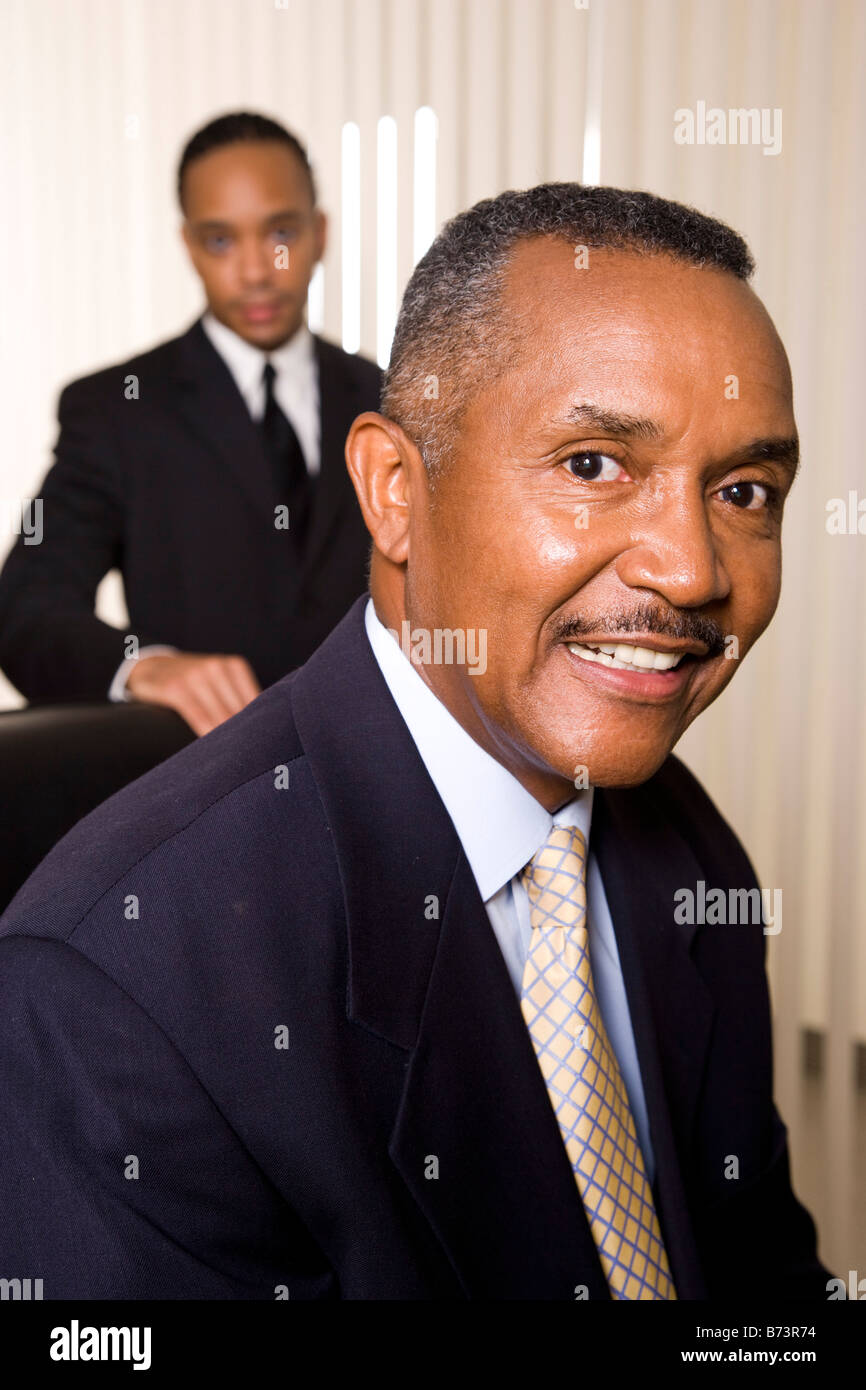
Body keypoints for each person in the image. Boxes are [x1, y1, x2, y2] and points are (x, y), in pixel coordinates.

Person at [0, 184, 835, 1299]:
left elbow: (758, 1281)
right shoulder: (115, 988)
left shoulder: (689, 854)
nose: (690, 570)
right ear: (393, 491)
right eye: (591, 465)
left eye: (742, 489)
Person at [0, 112, 381, 735]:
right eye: (222, 240)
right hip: (202, 792)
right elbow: (24, 609)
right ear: (189, 246)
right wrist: (143, 666)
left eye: (280, 232)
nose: (256, 270)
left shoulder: (388, 397)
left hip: (373, 780)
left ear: (319, 233)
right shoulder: (116, 409)